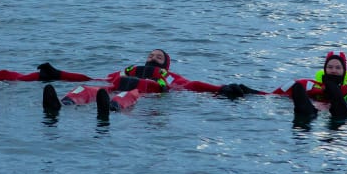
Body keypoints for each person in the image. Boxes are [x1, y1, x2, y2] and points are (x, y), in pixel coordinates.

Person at [38, 49, 259, 119]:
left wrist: (220, 89)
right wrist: (58, 73)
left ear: (166, 65)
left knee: (127, 96)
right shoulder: (125, 71)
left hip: (140, 92)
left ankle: (110, 108)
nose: (153, 58)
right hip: (114, 87)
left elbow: (194, 85)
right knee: (86, 89)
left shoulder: (170, 78)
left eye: (158, 57)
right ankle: (63, 103)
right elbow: (91, 79)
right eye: (151, 55)